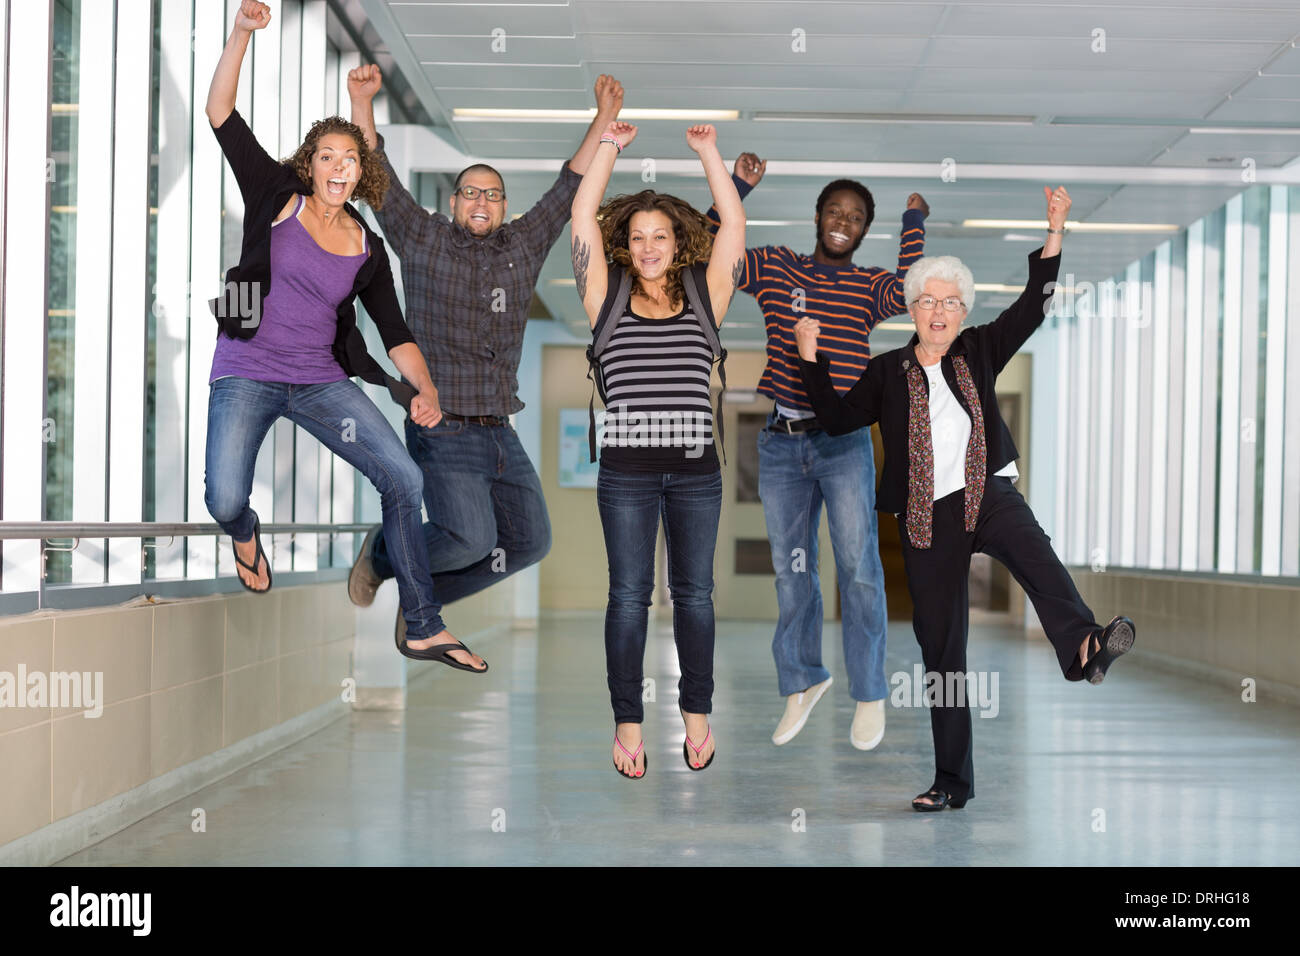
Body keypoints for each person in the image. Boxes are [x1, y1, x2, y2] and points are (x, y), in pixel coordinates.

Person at [795, 186, 1136, 811]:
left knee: (1039, 559)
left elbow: (1033, 305)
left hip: (989, 492)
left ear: (963, 311)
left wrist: (1055, 231)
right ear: (912, 309)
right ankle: (951, 782)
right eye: (928, 300)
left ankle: (1084, 644)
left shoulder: (980, 348)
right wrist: (812, 361)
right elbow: (838, 420)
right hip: (928, 516)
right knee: (942, 649)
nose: (940, 311)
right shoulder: (887, 371)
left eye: (951, 302)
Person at [202, 2, 483, 671]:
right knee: (224, 498)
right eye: (326, 155)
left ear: (361, 171)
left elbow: (395, 332)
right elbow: (220, 112)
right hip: (245, 368)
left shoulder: (366, 246)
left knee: (403, 477)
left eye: (349, 158)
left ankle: (423, 624)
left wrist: (424, 388)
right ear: (311, 163)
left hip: (320, 384)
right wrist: (241, 33)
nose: (337, 165)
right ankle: (244, 532)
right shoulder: (275, 193)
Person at [345, 65, 623, 660]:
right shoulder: (422, 238)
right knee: (469, 538)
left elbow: (569, 190)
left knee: (529, 542)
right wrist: (361, 101)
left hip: (500, 430)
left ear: (503, 206)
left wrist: (603, 119)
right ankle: (383, 554)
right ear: (453, 202)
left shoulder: (523, 245)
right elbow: (376, 174)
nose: (481, 200)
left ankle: (422, 602)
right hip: (441, 427)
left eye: (492, 194)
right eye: (470, 191)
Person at [705, 154, 928, 750]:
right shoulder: (778, 268)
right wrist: (737, 186)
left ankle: (870, 692)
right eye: (834, 211)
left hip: (844, 444)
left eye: (855, 217)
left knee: (858, 567)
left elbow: (913, 291)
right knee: (791, 570)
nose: (842, 222)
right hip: (781, 445)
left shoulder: (869, 287)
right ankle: (803, 681)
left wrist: (913, 224)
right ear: (818, 217)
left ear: (864, 229)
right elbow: (710, 249)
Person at [570, 121, 745, 778]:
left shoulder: (704, 295)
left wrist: (708, 153)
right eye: (638, 237)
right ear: (625, 243)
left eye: (660, 236)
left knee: (694, 595)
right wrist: (609, 146)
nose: (648, 247)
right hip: (626, 474)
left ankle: (696, 715)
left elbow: (733, 224)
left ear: (678, 242)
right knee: (628, 596)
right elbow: (582, 215)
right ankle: (627, 722)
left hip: (697, 473)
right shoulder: (605, 296)